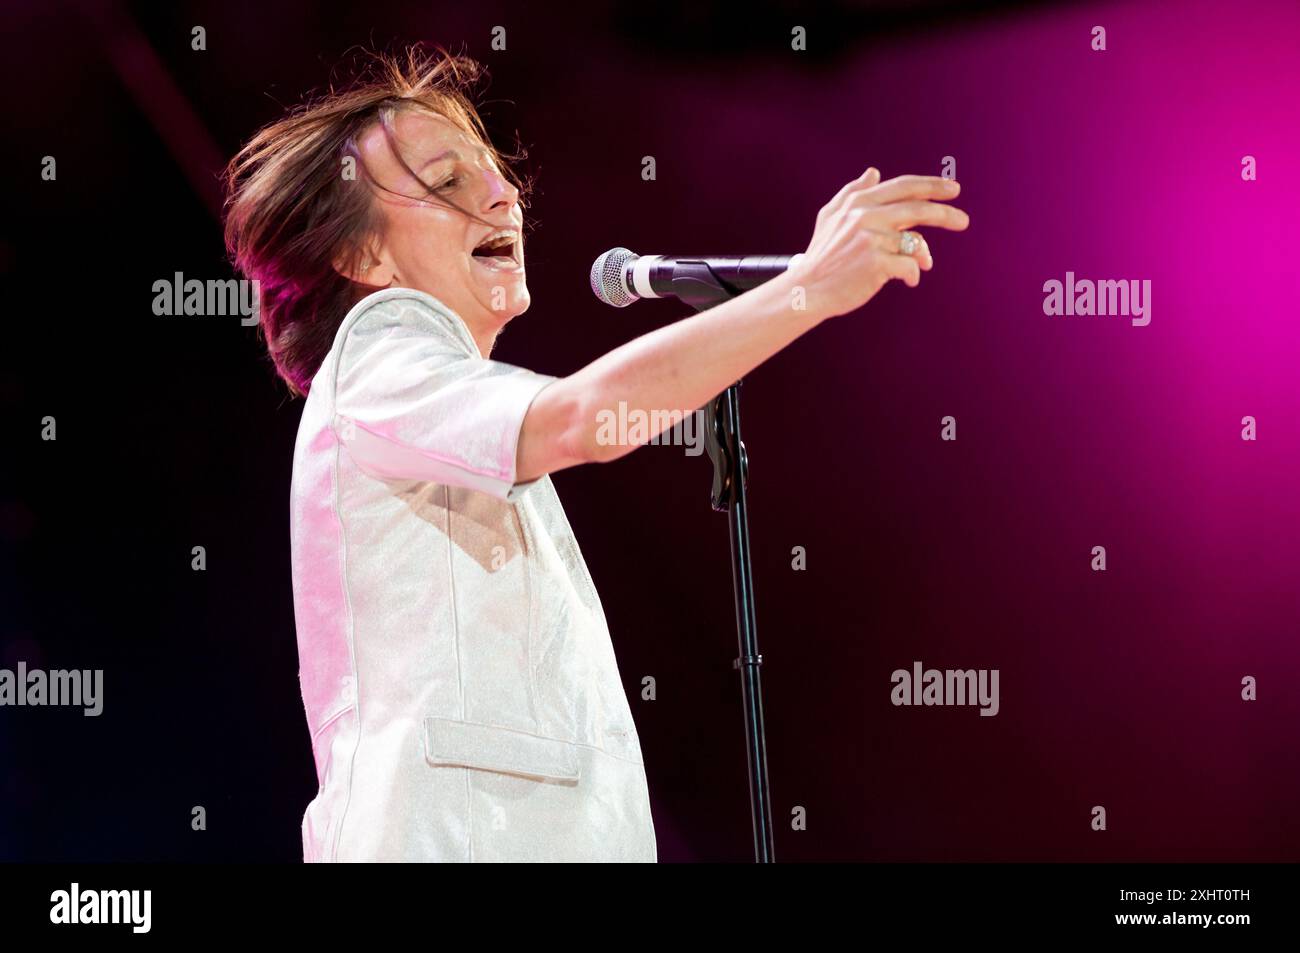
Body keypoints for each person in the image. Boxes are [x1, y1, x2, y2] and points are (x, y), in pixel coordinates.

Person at [222, 46, 969, 862]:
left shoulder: (440, 415)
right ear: (364, 257)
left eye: (494, 171)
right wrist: (807, 289)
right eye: (447, 182)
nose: (502, 194)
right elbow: (585, 419)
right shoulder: (379, 351)